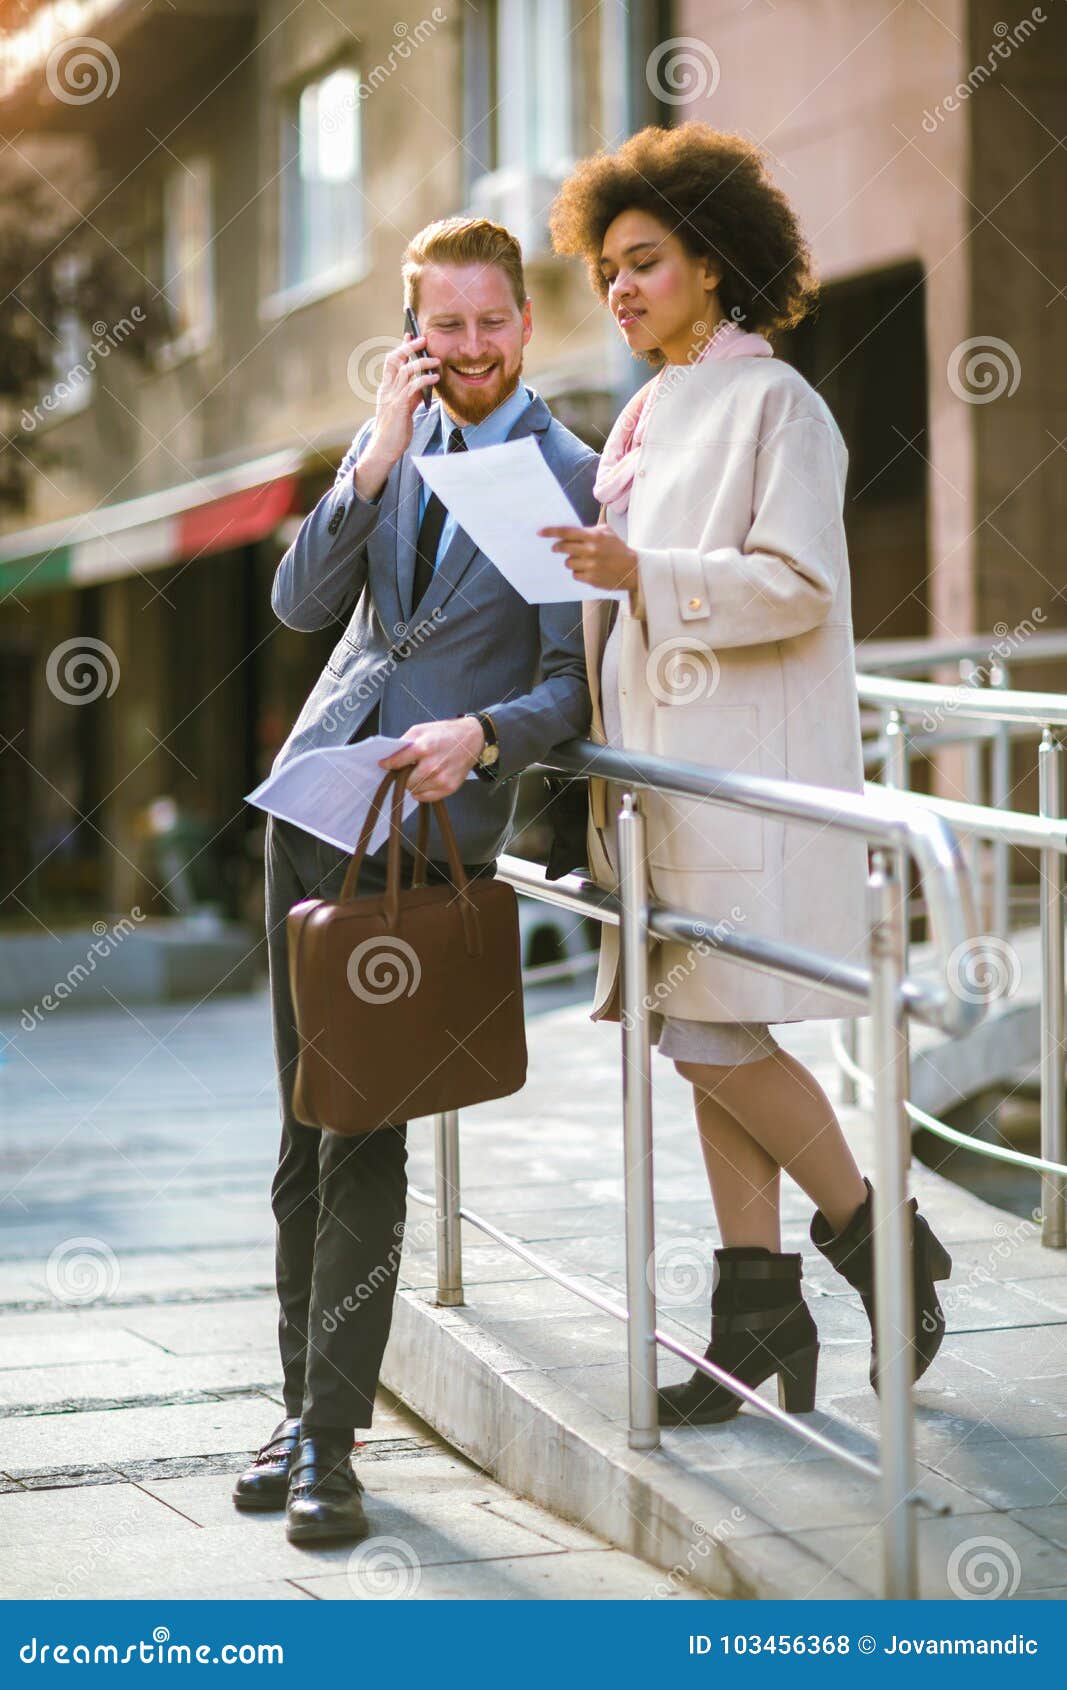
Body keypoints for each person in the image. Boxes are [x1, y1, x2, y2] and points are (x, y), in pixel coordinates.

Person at [541, 123, 952, 1427]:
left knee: (713, 1034)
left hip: (741, 794)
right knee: (708, 1038)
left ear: (715, 265)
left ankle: (884, 1241)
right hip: (662, 794)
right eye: (608, 267)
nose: (621, 288)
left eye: (645, 261)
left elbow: (798, 586)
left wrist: (641, 575)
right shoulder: (654, 411)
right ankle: (757, 1311)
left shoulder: (781, 403)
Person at [235, 216, 596, 1540]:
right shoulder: (397, 447)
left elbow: (572, 679)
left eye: (490, 321)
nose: (469, 347)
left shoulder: (569, 473)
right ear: (412, 334)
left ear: (526, 322)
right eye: (443, 325)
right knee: (297, 1128)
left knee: (362, 1126)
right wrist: (372, 463)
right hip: (312, 809)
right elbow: (295, 604)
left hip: (422, 837)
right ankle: (293, 1406)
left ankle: (333, 1444)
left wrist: (484, 734)